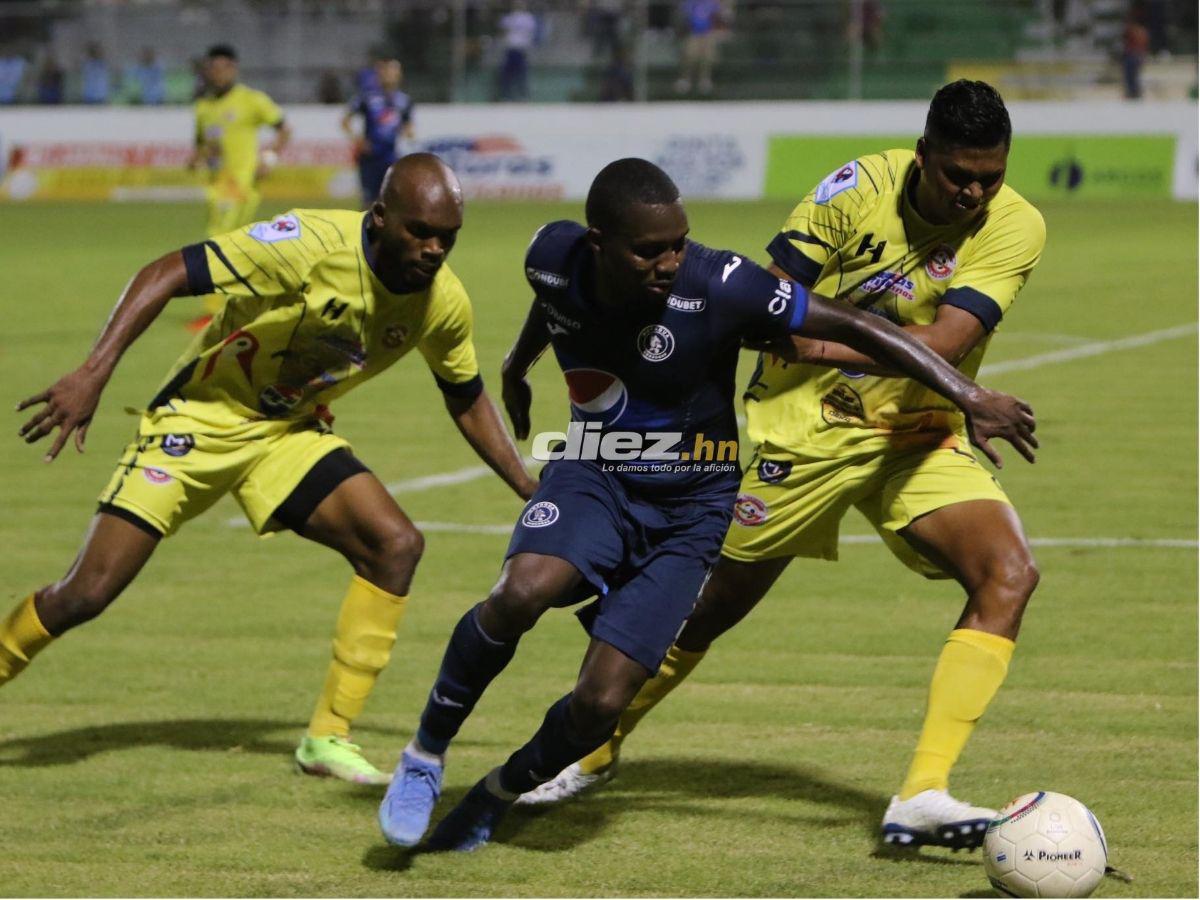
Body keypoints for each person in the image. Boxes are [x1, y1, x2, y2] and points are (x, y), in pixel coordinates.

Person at [376, 157, 1037, 852]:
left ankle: (498, 791)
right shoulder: (549, 252)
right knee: (522, 592)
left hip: (692, 507)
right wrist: (518, 363)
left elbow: (857, 327)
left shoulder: (723, 284)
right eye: (649, 249)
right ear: (598, 241)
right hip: (596, 471)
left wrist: (968, 395)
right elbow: (555, 301)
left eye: (678, 244)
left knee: (602, 702)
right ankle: (424, 756)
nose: (669, 261)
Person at [4, 154, 537, 787]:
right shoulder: (309, 245)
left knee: (394, 545)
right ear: (380, 217)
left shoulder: (441, 304)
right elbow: (168, 270)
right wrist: (93, 373)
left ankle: (327, 738)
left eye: (447, 237)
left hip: (284, 433)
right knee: (85, 594)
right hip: (197, 423)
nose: (433, 248)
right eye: (419, 231)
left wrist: (527, 489)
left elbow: (466, 395)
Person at [188, 44, 291, 328]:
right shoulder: (204, 107)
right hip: (216, 186)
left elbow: (284, 128)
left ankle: (213, 312)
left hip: (241, 185)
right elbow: (203, 145)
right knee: (233, 244)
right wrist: (197, 159)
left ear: (233, 69)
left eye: (224, 68)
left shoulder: (251, 100)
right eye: (214, 69)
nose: (219, 74)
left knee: (217, 240)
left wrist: (268, 158)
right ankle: (249, 303)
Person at [342, 56, 415, 210]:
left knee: (392, 199)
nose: (389, 74)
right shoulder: (367, 97)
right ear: (379, 74)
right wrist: (358, 140)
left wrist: (407, 133)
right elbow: (345, 121)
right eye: (386, 70)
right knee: (368, 203)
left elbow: (408, 124)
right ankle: (362, 232)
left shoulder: (404, 100)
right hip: (370, 156)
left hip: (391, 156)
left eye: (393, 70)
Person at [497, 0, 538, 101]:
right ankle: (506, 96)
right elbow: (502, 31)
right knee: (507, 74)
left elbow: (531, 33)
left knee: (522, 74)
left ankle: (523, 96)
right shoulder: (509, 17)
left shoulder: (528, 18)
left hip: (521, 49)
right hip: (510, 49)